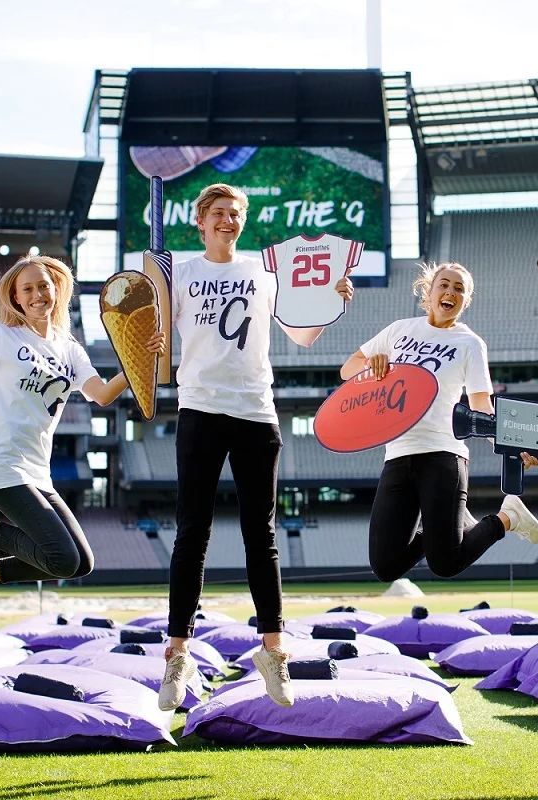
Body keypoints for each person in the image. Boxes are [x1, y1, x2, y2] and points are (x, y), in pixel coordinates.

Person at [159, 183, 354, 711]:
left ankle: (273, 650)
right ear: (200, 220)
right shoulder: (176, 269)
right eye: (219, 213)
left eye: (236, 213)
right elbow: (153, 329)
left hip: (255, 411)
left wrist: (330, 304)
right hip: (200, 407)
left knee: (259, 533)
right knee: (192, 531)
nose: (229, 220)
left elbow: (303, 337)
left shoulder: (262, 276)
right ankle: (177, 652)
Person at [0, 256, 163, 614]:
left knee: (80, 562)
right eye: (28, 289)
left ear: (56, 290)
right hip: (2, 463)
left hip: (39, 471)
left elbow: (101, 394)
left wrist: (140, 359)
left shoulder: (70, 348)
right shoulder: (1, 337)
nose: (37, 294)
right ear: (17, 298)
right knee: (61, 557)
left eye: (43, 286)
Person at [339, 261, 538, 587]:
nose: (450, 292)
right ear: (429, 291)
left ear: (465, 301)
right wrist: (371, 365)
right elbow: (348, 370)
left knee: (445, 563)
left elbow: (480, 405)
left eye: (459, 289)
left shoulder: (469, 343)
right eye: (444, 285)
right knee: (385, 566)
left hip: (443, 454)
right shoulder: (399, 330)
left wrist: (507, 444)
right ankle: (450, 522)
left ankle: (507, 518)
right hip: (397, 454)